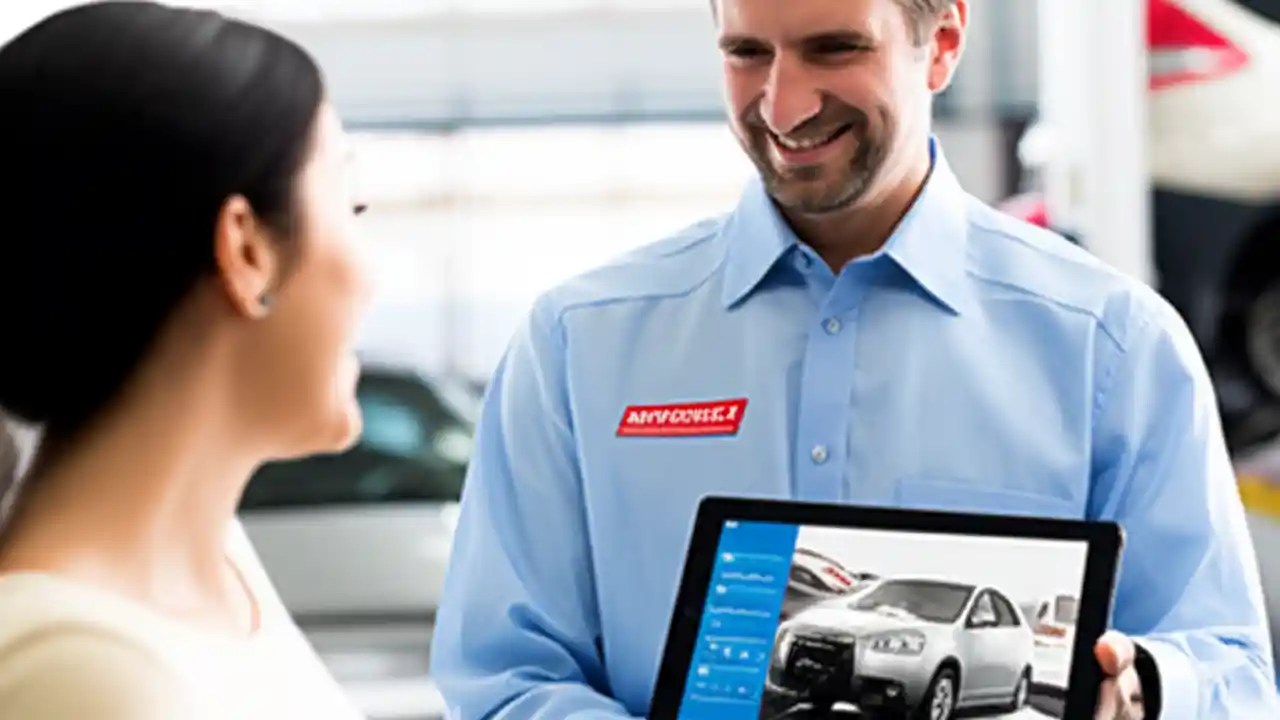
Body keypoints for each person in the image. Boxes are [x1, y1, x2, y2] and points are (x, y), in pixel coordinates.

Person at [430, 0, 1278, 718]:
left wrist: (1148, 686)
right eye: (747, 53)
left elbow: (1234, 671)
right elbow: (504, 679)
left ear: (941, 43)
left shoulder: (1111, 344)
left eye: (835, 48)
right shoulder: (580, 341)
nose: (785, 104)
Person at [0, 2, 371, 718]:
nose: (372, 274)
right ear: (247, 251)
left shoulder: (214, 567)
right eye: (349, 205)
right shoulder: (76, 665)